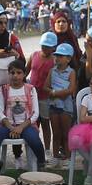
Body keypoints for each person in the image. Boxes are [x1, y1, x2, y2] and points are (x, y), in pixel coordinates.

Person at [0, 59, 45, 169]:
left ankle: (41, 162)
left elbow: (35, 113)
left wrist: (21, 128)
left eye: (19, 73)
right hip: (8, 126)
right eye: (12, 73)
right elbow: (0, 112)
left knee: (35, 142)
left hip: (27, 126)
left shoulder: (31, 89)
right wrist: (12, 128)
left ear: (24, 74)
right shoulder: (4, 90)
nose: (15, 76)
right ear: (8, 74)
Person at [26, 31, 58, 163]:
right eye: (43, 45)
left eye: (48, 46)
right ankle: (35, 148)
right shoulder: (34, 55)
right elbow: (26, 70)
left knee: (45, 122)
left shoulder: (55, 60)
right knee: (33, 123)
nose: (45, 48)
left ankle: (47, 150)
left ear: (54, 47)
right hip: (32, 95)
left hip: (46, 97)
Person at [44, 42, 78, 164]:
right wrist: (54, 92)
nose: (57, 58)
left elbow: (71, 90)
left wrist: (55, 93)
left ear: (68, 59)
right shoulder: (52, 71)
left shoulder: (71, 72)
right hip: (54, 106)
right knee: (56, 133)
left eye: (61, 56)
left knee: (66, 133)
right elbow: (45, 87)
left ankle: (68, 158)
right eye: (56, 55)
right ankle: (55, 157)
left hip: (66, 107)